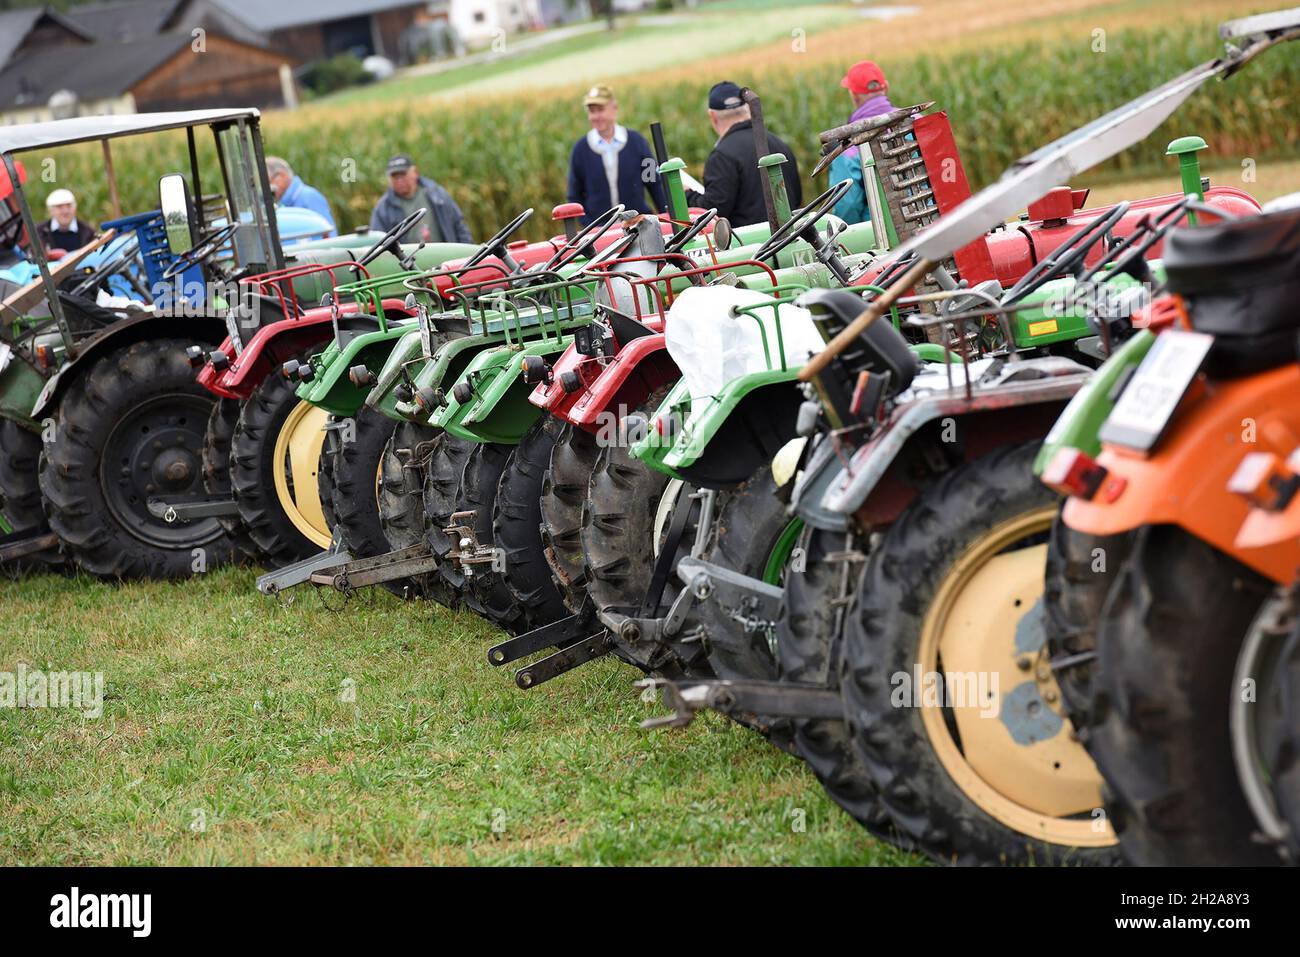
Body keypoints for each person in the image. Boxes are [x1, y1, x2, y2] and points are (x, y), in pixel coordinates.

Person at [683, 81, 802, 229]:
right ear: (747, 109)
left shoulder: (722, 156)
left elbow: (713, 213)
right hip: (790, 237)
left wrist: (687, 195)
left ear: (713, 116)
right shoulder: (779, 143)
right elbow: (796, 197)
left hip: (751, 247)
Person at [566, 84, 667, 225]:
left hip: (638, 226)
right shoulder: (580, 150)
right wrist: (589, 226)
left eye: (600, 110)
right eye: (592, 111)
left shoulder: (638, 142)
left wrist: (667, 217)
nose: (596, 116)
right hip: (599, 234)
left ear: (614, 109)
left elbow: (653, 182)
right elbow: (574, 195)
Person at [829, 61, 895, 225]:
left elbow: (847, 203)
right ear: (885, 87)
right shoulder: (917, 121)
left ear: (854, 94)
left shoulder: (848, 144)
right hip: (930, 223)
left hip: (881, 234)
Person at [370, 154, 472, 244]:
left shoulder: (437, 194)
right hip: (408, 264)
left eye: (403, 174)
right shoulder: (383, 209)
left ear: (415, 172)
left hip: (445, 260)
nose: (399, 180)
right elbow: (378, 243)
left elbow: (459, 226)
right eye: (395, 177)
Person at [265, 156, 336, 236]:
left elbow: (329, 235)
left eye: (268, 183)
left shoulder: (309, 197)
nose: (268, 189)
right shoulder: (284, 204)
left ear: (282, 176)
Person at [37, 188, 95, 256]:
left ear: (75, 208)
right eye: (59, 207)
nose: (65, 211)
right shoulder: (38, 232)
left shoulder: (88, 232)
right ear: (51, 210)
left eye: (69, 206)